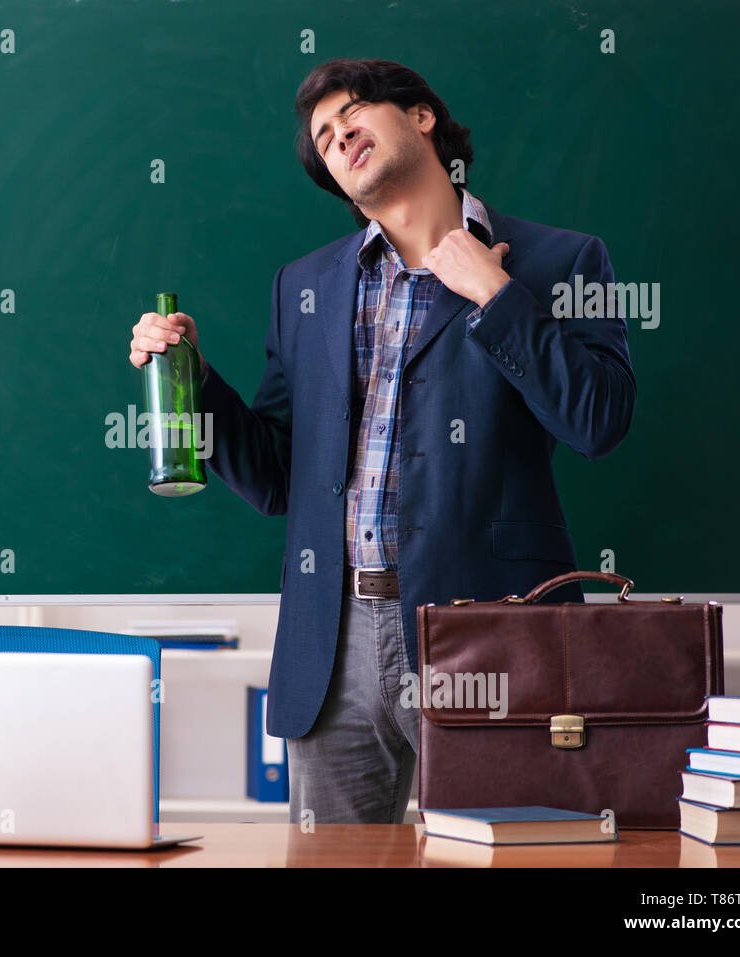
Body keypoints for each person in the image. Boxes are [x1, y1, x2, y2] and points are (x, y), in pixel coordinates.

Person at [127, 59, 636, 825]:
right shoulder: (305, 287)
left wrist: (495, 295)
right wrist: (193, 382)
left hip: (487, 636)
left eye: (354, 112)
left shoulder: (559, 261)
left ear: (422, 117)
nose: (339, 137)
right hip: (331, 646)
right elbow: (275, 477)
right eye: (325, 139)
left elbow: (600, 420)